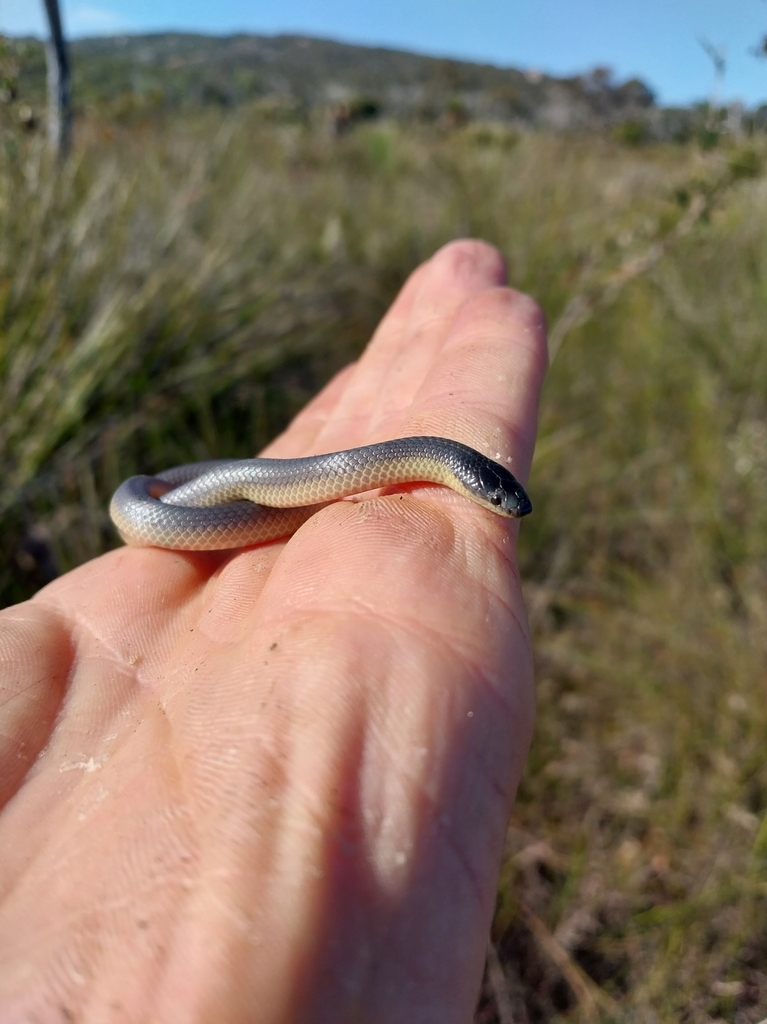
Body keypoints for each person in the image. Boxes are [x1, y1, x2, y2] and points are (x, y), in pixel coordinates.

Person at [0, 239, 547, 1022]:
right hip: (166, 504)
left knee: (236, 494)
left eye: (497, 497)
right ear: (468, 478)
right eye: (495, 496)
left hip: (196, 496)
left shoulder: (446, 463)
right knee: (203, 496)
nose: (501, 505)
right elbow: (149, 506)